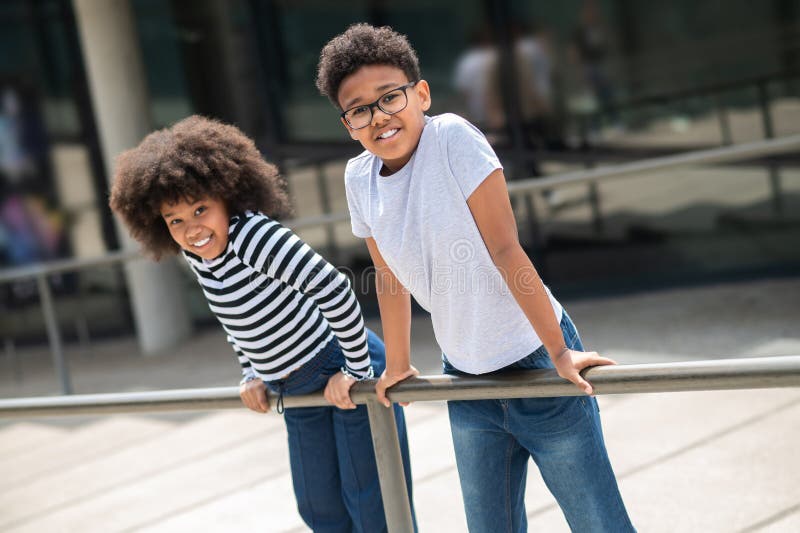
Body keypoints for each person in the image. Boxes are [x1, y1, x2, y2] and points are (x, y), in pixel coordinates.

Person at [317, 24, 634, 532]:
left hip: (536, 359)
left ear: (420, 94)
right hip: (466, 381)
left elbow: (506, 249)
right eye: (359, 109)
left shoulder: (452, 139)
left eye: (389, 97)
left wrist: (558, 352)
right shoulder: (358, 178)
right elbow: (388, 275)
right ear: (348, 124)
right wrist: (396, 363)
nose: (378, 117)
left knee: (598, 523)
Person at [108, 115, 415, 533]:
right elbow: (234, 318)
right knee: (318, 506)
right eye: (175, 220)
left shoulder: (252, 237)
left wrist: (355, 372)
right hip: (290, 386)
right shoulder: (197, 255)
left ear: (227, 198)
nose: (192, 228)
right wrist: (252, 372)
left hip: (338, 363)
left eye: (201, 210)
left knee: (370, 500)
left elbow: (336, 289)